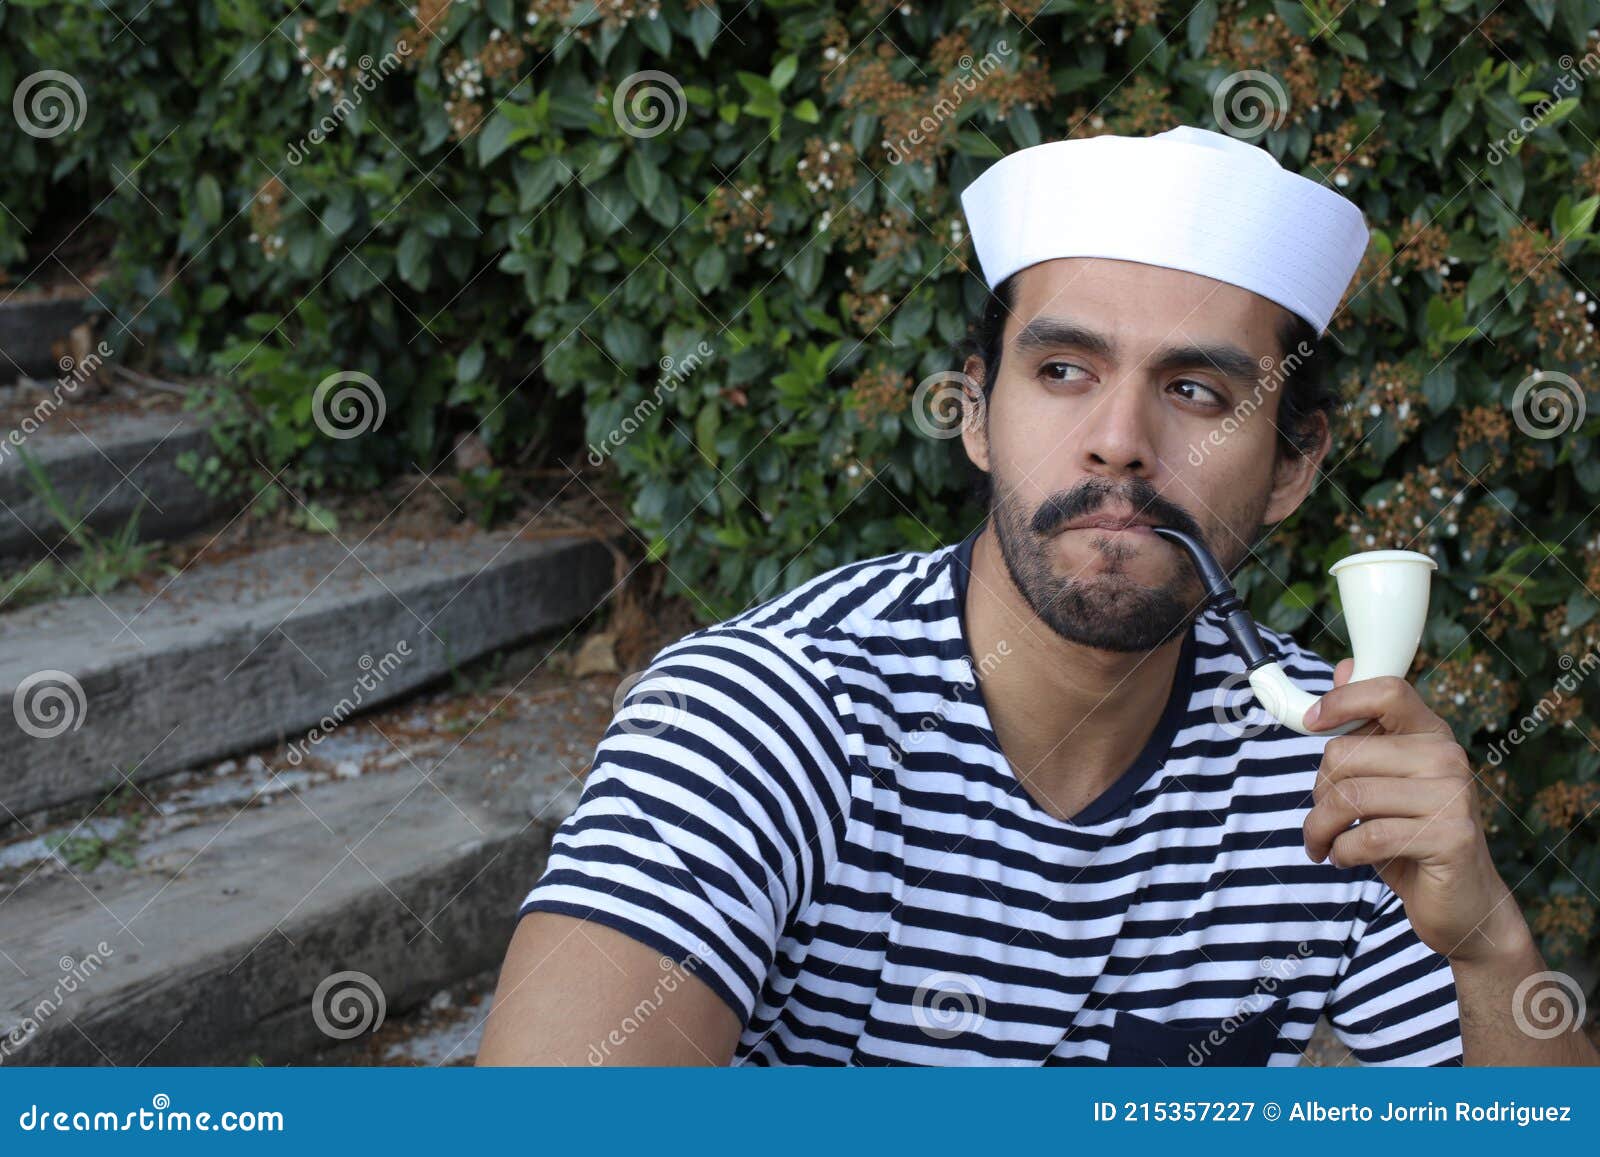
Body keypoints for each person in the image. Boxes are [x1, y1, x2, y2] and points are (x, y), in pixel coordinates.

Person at [477, 125, 1598, 1066]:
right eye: (1063, 371)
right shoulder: (763, 715)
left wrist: (1486, 942)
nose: (1118, 441)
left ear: (1293, 467)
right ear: (975, 412)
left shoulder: (1325, 763)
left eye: (1196, 390)